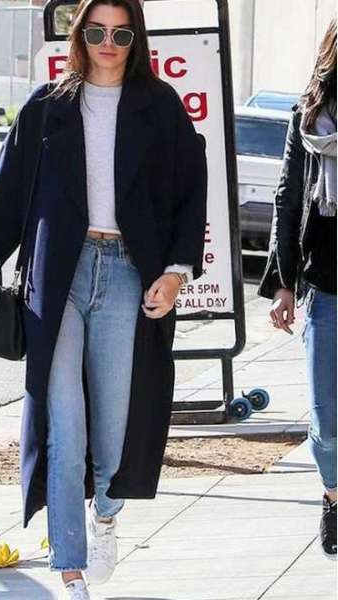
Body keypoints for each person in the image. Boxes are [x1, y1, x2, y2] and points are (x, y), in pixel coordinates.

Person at [0, 1, 206, 598]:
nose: (108, 43)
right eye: (96, 32)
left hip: (128, 273)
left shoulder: (160, 106)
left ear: (135, 38)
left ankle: (106, 517)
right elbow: (6, 191)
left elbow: (189, 193)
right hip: (58, 276)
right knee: (64, 427)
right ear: (79, 36)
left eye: (121, 33)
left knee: (112, 430)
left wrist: (175, 273)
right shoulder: (48, 106)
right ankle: (69, 570)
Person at [261, 17, 337, 558]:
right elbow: (288, 198)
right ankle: (334, 495)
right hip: (325, 285)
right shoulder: (309, 118)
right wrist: (283, 283)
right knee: (327, 420)